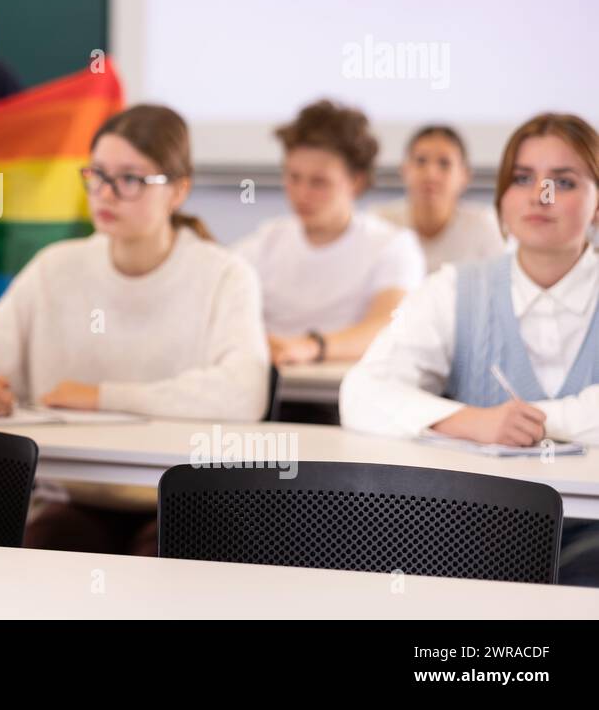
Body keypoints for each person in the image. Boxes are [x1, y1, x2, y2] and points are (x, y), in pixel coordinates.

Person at [0, 104, 268, 556]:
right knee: (43, 551)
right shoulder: (56, 267)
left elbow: (245, 392)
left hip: (184, 502)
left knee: (162, 569)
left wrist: (102, 396)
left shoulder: (225, 275)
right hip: (77, 497)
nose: (106, 193)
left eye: (130, 180)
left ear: (178, 190)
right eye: (97, 175)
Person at [341, 112, 599, 585]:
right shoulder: (455, 288)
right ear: (501, 198)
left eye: (563, 181)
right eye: (523, 178)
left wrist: (530, 423)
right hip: (474, 531)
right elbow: (360, 391)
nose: (540, 195)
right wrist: (472, 421)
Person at [234, 99, 425, 366]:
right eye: (293, 177)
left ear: (355, 181)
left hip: (347, 398)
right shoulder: (266, 242)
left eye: (319, 182)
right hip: (268, 390)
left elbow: (388, 325)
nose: (302, 194)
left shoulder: (392, 246)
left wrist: (310, 347)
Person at [374, 124, 504, 272]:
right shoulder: (379, 223)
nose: (431, 174)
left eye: (444, 163)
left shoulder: (485, 226)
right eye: (421, 161)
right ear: (404, 170)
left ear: (465, 175)